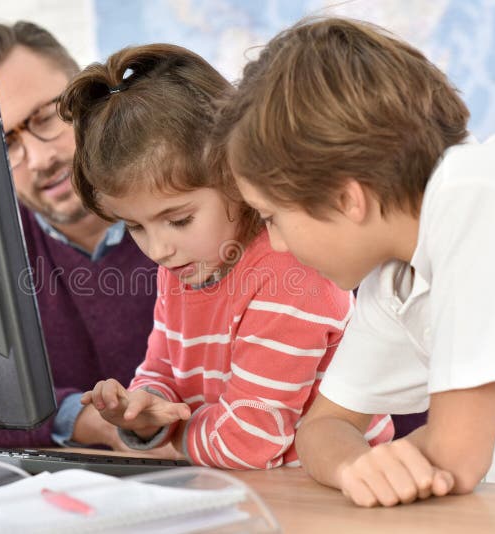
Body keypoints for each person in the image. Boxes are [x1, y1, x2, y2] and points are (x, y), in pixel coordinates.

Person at [214, 16, 495, 503]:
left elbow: (458, 456)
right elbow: (322, 428)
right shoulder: (398, 275)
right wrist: (356, 465)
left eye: (271, 217)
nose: (274, 244)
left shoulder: (478, 198)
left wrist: (395, 462)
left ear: (346, 200)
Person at [57, 43, 394, 468]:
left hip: (329, 488)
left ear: (235, 177)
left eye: (179, 220)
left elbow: (249, 443)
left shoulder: (292, 276)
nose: (158, 250)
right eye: (135, 227)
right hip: (243, 483)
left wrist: (172, 438)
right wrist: (143, 412)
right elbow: (163, 371)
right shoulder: (185, 267)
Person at [0, 22, 158, 451]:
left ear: (90, 95)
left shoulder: (185, 203)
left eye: (46, 116)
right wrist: (82, 420)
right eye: (4, 141)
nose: (39, 159)